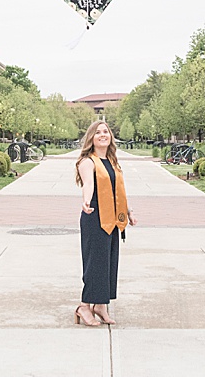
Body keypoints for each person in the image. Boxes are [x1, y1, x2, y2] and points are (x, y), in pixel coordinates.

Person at [74, 120, 137, 327]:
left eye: (106, 132)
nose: (103, 135)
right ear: (91, 138)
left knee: (109, 262)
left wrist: (128, 212)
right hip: (94, 216)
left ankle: (100, 305)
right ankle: (84, 306)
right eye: (98, 132)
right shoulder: (88, 162)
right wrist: (85, 200)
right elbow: (89, 185)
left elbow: (119, 190)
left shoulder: (112, 161)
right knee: (95, 263)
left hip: (112, 218)